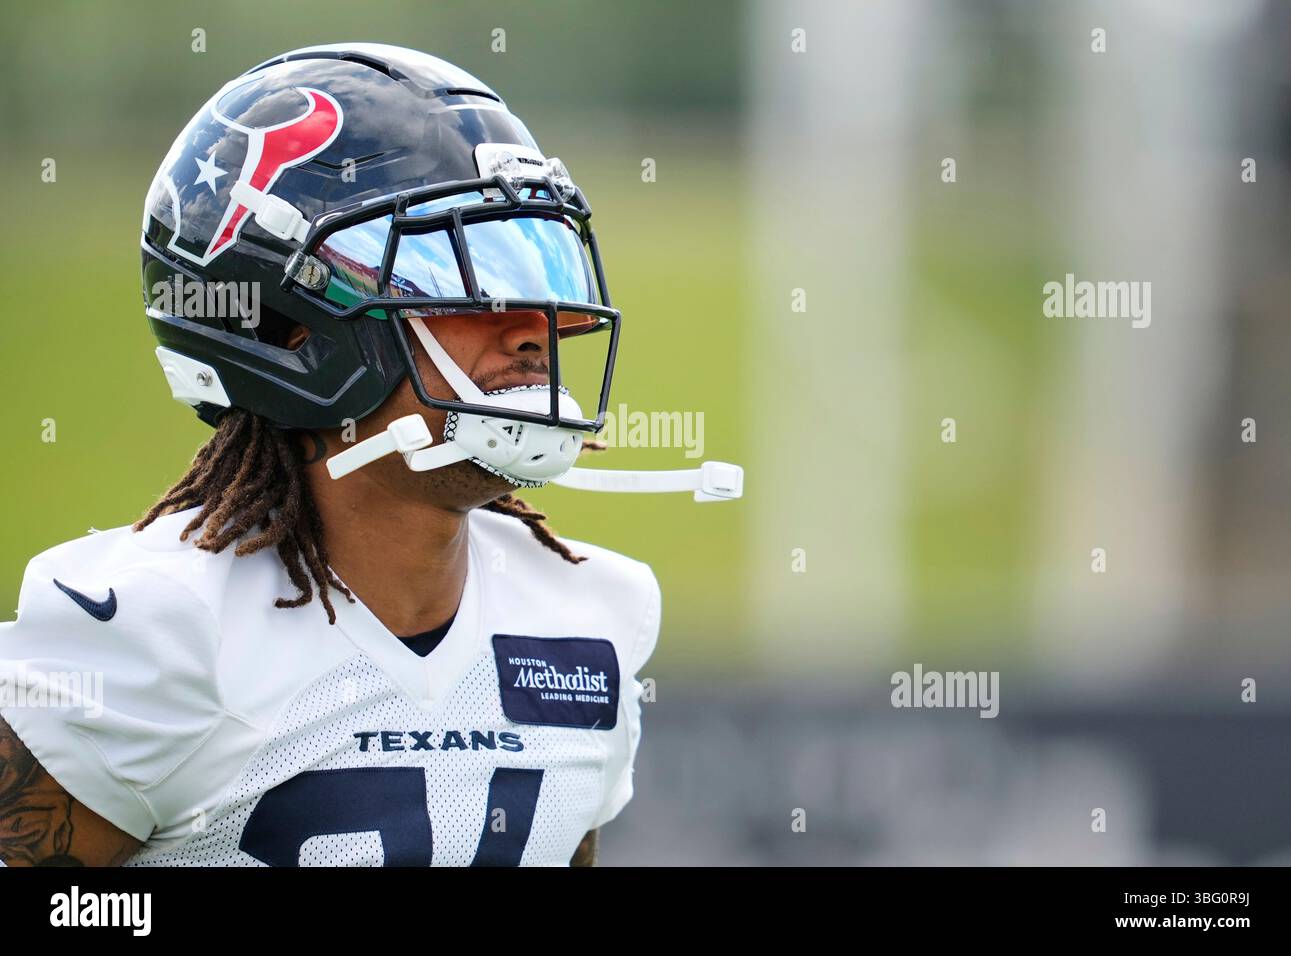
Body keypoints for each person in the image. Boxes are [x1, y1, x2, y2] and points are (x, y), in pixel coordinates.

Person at [0, 42, 740, 867]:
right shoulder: (150, 633)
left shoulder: (586, 616)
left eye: (538, 261)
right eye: (462, 271)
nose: (536, 324)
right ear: (294, 326)